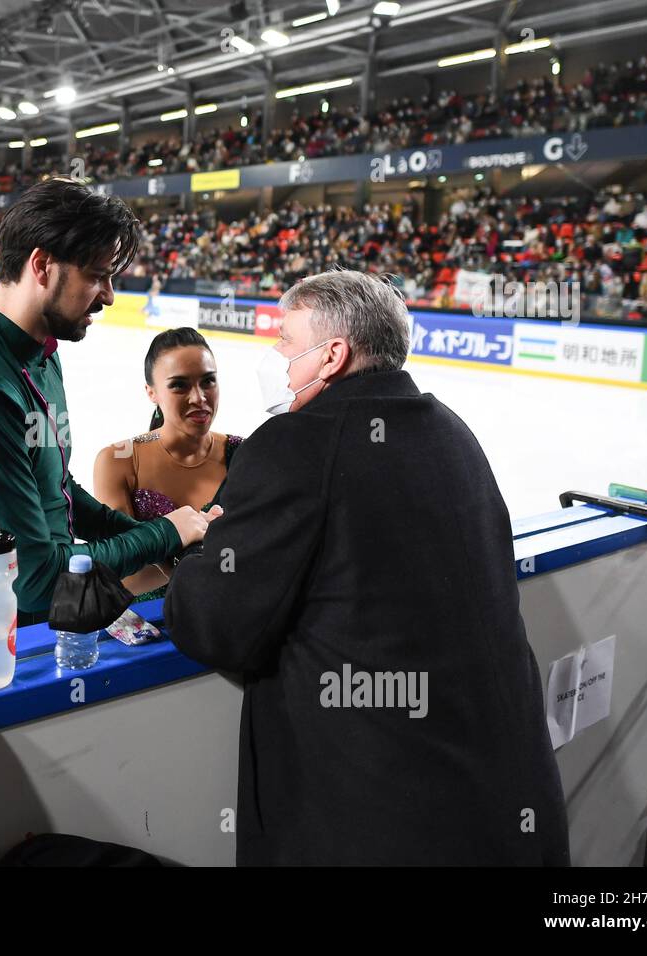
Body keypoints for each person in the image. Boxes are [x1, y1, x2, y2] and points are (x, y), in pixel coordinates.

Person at [164, 268, 570, 866]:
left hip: (377, 820)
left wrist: (199, 543)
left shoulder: (294, 443)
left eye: (284, 343)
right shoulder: (452, 431)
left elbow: (212, 623)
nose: (273, 357)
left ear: (331, 356)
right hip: (505, 808)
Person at [0, 177, 220, 648]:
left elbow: (56, 489)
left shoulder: (41, 355)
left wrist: (158, 533)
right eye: (96, 275)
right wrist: (164, 535)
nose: (108, 296)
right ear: (43, 265)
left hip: (32, 633)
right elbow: (35, 578)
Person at [93, 327, 243, 601]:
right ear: (152, 392)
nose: (199, 398)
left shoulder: (244, 454)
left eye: (208, 381)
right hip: (150, 624)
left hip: (226, 615)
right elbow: (120, 573)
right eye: (179, 385)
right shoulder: (118, 461)